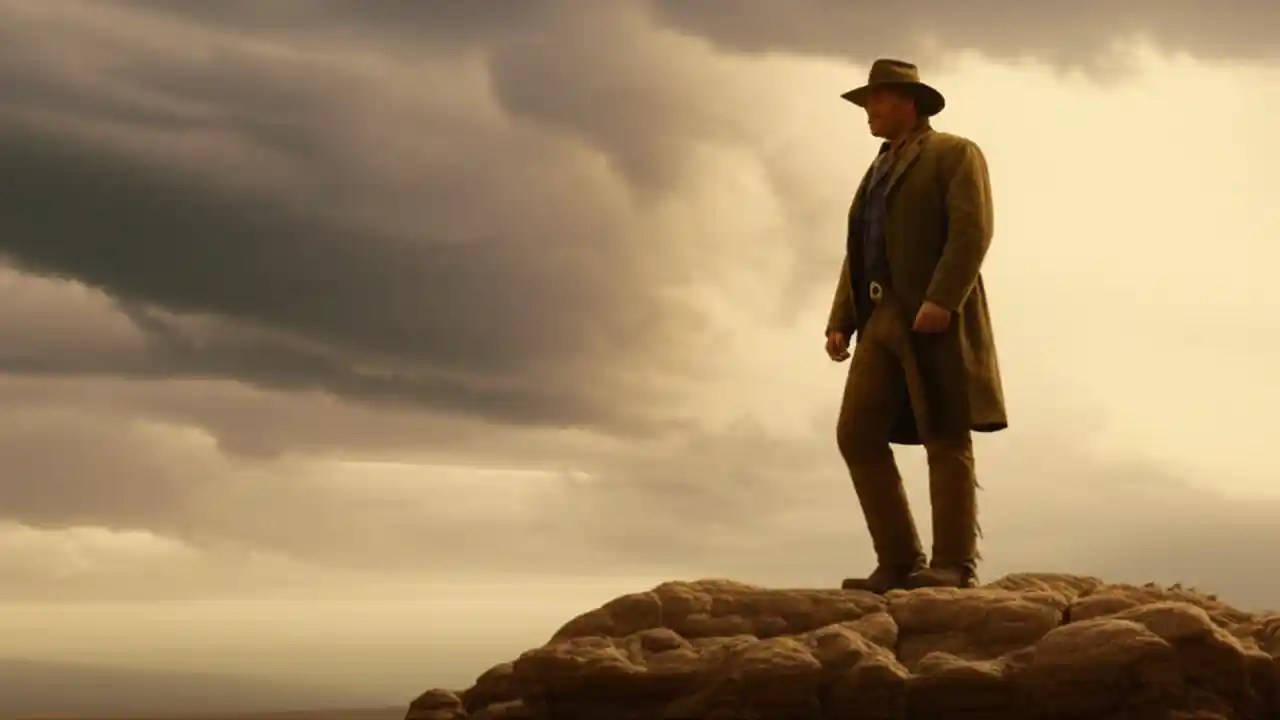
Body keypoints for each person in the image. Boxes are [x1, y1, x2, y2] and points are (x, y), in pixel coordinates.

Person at [824, 58, 1007, 592]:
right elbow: (858, 251)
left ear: (909, 101)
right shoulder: (876, 169)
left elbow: (972, 230)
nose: (868, 113)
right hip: (879, 316)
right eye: (866, 104)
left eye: (877, 101)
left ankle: (954, 564)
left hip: (932, 316)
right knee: (856, 434)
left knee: (945, 434)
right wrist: (841, 318)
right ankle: (900, 560)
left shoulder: (953, 153)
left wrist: (943, 299)